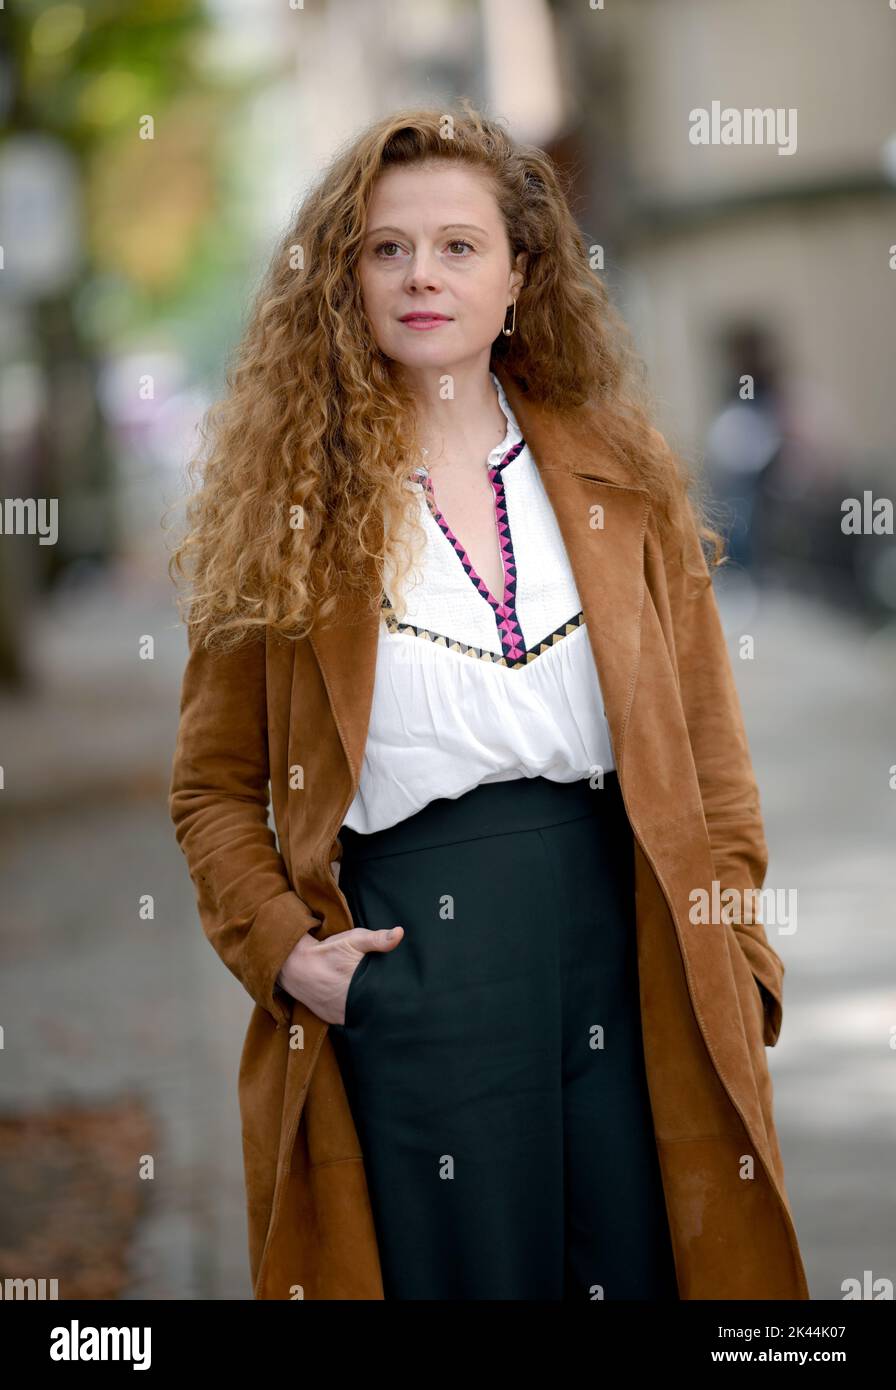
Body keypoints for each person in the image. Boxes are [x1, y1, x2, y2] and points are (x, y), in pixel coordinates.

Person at [167, 103, 809, 1301]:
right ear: (343, 281)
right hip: (414, 960)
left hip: (631, 944)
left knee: (656, 1267)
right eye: (385, 248)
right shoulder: (281, 513)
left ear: (519, 276)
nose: (422, 275)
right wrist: (289, 957)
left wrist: (741, 958)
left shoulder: (619, 476)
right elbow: (209, 787)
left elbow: (709, 753)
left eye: (459, 246)